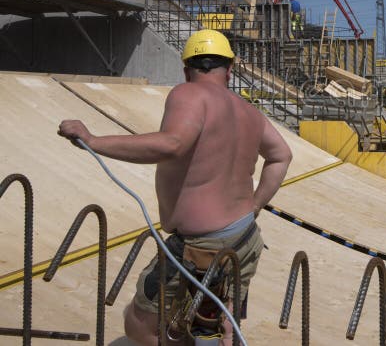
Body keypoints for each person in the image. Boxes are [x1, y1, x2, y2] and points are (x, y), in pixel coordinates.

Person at [57, 28, 292, 345]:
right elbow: (281, 156)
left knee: (140, 326)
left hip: (201, 247)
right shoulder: (249, 111)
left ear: (186, 69)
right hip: (244, 237)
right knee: (220, 320)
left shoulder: (189, 93)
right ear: (230, 69)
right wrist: (255, 205)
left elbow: (173, 144)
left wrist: (94, 140)